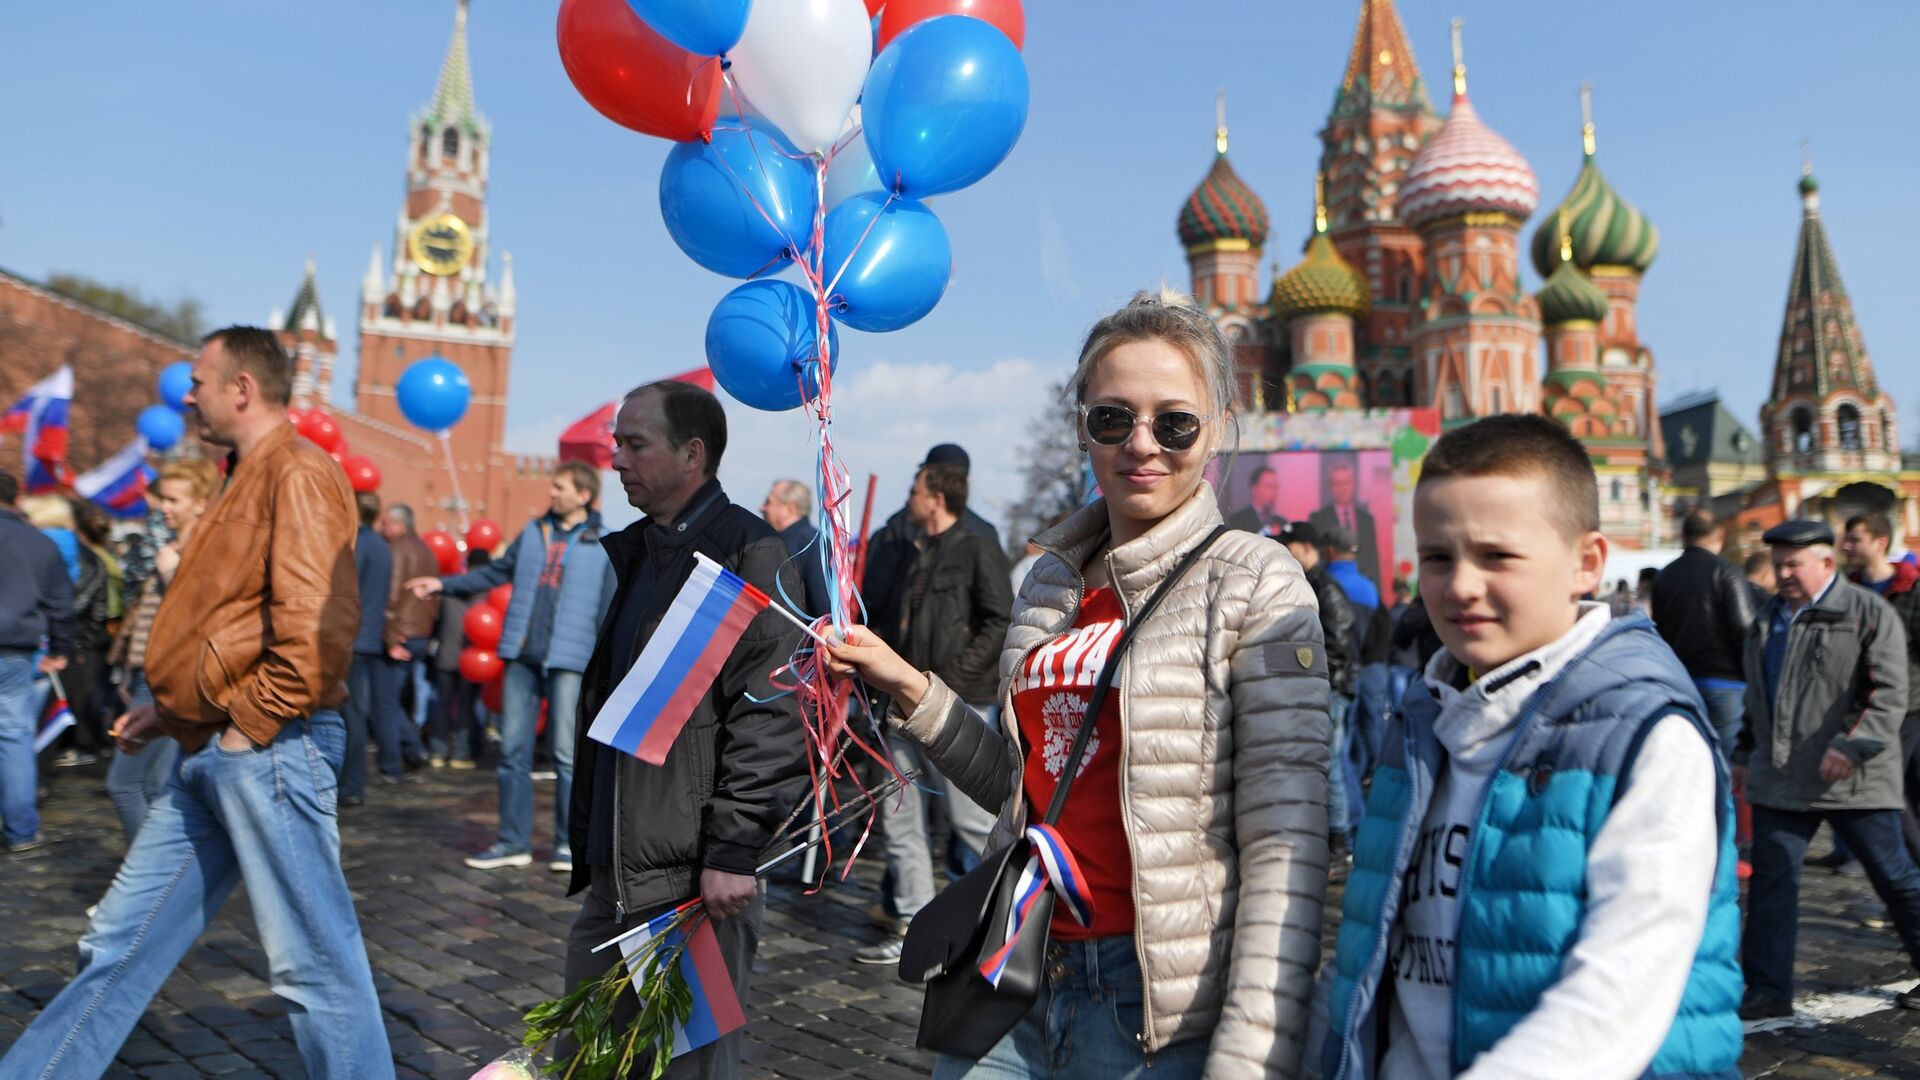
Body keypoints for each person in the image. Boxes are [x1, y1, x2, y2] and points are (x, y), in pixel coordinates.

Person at [831, 288, 1332, 1077]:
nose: (1142, 444)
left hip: (1151, 1001)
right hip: (1017, 964)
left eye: (1174, 422)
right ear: (1082, 429)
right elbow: (1020, 784)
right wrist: (907, 686)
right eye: (1112, 418)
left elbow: (1285, 843)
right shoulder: (1047, 584)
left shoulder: (1255, 582)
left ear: (1218, 433)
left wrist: (1250, 1055)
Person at [0, 327, 392, 1076]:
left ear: (241, 388)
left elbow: (320, 621)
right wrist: (176, 710)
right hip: (217, 745)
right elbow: (229, 618)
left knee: (315, 967)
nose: (186, 394)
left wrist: (251, 721)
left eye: (200, 381)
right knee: (118, 940)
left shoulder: (297, 473)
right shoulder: (239, 476)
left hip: (270, 747)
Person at [1312, 414, 1742, 1080]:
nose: (1459, 586)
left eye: (1497, 556)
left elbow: (1615, 995)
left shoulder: (1645, 736)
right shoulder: (1424, 722)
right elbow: (1370, 956)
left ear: (1587, 562)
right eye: (1436, 557)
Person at [562, 379, 810, 1079]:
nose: (615, 459)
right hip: (617, 870)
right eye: (616, 443)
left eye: (634, 444)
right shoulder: (642, 549)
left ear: (692, 454)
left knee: (688, 1068)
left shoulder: (749, 552)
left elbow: (770, 716)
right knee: (586, 1060)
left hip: (690, 882)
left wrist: (733, 851)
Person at [1737, 519, 1920, 1019]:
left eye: (1793, 564)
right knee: (1774, 884)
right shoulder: (1767, 618)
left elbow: (1887, 692)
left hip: (1854, 781)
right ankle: (1767, 989)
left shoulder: (1867, 612)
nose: (1783, 574)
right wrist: (1742, 753)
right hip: (1781, 779)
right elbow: (1758, 698)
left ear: (1825, 562)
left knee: (1896, 879)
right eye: (1777, 565)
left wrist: (1852, 746)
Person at [409, 461, 615, 873]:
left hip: (570, 661)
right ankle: (512, 842)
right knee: (511, 752)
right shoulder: (533, 533)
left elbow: (611, 609)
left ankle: (567, 844)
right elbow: (496, 572)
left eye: (560, 487)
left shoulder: (605, 542)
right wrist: (443, 584)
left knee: (565, 757)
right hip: (522, 656)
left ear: (584, 495)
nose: (552, 493)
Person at [855, 460, 1012, 966]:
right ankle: (914, 928)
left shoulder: (976, 545)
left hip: (960, 706)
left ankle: (994, 931)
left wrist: (955, 680)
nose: (909, 498)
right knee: (900, 820)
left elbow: (1000, 620)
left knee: (973, 822)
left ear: (937, 497)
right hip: (900, 706)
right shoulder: (911, 547)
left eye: (915, 488)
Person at [105, 457, 220, 842]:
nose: (164, 508)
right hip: (153, 675)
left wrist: (172, 572)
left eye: (174, 500)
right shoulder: (172, 546)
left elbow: (200, 619)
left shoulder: (202, 550)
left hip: (174, 679)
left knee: (125, 783)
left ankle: (147, 883)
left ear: (200, 502)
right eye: (163, 499)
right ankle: (156, 883)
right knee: (158, 787)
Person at [0, 470, 74, 853]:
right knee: (14, 738)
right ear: (15, 500)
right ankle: (20, 831)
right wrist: (60, 648)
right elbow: (62, 603)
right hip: (15, 650)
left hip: (16, 649)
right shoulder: (39, 543)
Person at [1840, 512, 1920, 860]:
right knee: (1891, 794)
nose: (1847, 546)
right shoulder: (1847, 590)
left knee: (1896, 795)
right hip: (1863, 704)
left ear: (1880, 542)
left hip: (1910, 705)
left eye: (1855, 539)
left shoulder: (1910, 588)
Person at [1651, 510, 1759, 760]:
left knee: (1690, 761)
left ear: (1683, 535)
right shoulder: (1727, 572)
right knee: (1728, 763)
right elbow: (1745, 627)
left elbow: (1659, 629)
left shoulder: (1664, 576)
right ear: (1719, 534)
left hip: (1681, 680)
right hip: (1726, 682)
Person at [1281, 521, 1358, 862]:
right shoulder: (1309, 584)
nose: (1285, 551)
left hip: (1330, 688)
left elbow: (1340, 642)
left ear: (1308, 548)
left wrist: (1311, 666)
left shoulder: (1325, 588)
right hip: (1318, 686)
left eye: (1291, 544)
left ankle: (1340, 839)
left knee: (1332, 764)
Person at [26, 495, 107, 766]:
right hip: (72, 640)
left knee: (27, 717)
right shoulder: (88, 554)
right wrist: (84, 642)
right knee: (50, 711)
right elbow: (97, 603)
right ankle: (38, 776)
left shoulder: (36, 547)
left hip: (39, 639)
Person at [339, 489, 397, 803]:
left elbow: (347, 589)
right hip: (369, 637)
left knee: (349, 714)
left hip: (352, 638)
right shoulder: (382, 546)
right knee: (359, 712)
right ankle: (351, 784)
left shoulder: (360, 544)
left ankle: (349, 786)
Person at [374, 502, 436, 782]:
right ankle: (413, 748)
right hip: (420, 633)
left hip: (402, 634)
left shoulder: (398, 550)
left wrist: (389, 636)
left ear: (399, 525)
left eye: (385, 523)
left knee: (386, 701)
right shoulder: (426, 550)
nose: (381, 528)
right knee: (397, 698)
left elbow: (389, 596)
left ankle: (404, 755)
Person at [426, 548, 487, 768]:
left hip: (446, 656)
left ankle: (437, 752)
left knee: (442, 705)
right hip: (474, 660)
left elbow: (436, 621)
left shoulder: (450, 589)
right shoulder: (486, 592)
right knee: (465, 708)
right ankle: (460, 754)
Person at [760, 478, 831, 618]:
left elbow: (822, 607)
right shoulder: (772, 541)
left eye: (769, 502)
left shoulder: (813, 544)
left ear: (790, 509)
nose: (762, 508)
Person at [1309, 457, 1380, 587]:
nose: (1342, 488)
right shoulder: (1317, 519)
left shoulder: (1367, 519)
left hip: (1362, 589)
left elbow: (1373, 563)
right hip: (1331, 587)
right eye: (1337, 483)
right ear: (1330, 487)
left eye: (1346, 482)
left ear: (1353, 483)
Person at [1225, 462, 1288, 538]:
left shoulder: (1282, 523)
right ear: (1254, 489)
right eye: (1269, 486)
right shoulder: (1237, 521)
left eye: (1275, 487)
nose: (1274, 491)